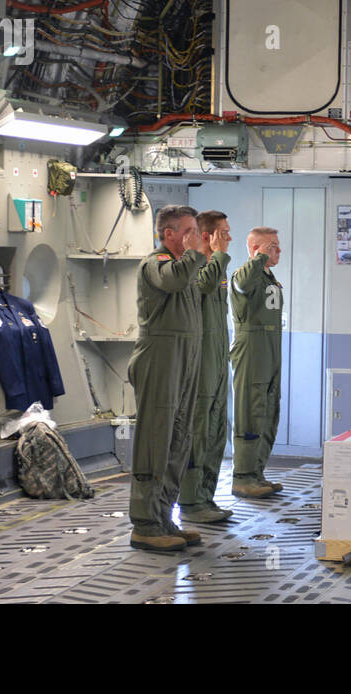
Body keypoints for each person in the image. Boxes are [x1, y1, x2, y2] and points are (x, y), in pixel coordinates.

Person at [127, 205, 206, 552]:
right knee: (155, 440)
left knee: (178, 439)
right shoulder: (156, 264)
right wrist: (194, 254)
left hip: (184, 359)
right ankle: (144, 524)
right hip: (160, 358)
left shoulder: (186, 267)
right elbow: (172, 280)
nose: (197, 238)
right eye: (189, 231)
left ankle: (163, 518)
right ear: (169, 234)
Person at [178, 210, 234, 524]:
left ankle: (206, 497)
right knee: (198, 433)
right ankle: (190, 501)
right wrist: (219, 255)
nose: (229, 238)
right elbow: (202, 287)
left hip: (217, 363)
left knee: (216, 432)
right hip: (199, 366)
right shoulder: (195, 267)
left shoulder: (218, 268)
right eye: (224, 233)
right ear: (208, 236)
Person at [229, 227, 284, 499]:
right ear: (257, 249)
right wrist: (258, 259)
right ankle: (242, 477)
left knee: (269, 411)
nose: (279, 251)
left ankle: (257, 473)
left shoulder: (268, 277)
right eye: (273, 246)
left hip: (271, 348)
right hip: (252, 348)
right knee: (250, 411)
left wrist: (263, 261)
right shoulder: (245, 273)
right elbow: (242, 285)